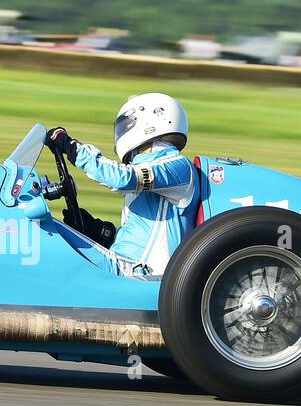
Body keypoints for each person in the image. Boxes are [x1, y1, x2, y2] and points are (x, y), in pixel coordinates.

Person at [44, 92, 199, 277]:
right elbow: (140, 234)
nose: (122, 132)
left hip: (143, 274)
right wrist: (100, 231)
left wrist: (72, 147)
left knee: (48, 230)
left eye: (126, 124)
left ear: (154, 120)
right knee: (50, 233)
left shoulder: (178, 166)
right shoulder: (150, 169)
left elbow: (122, 178)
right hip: (125, 264)